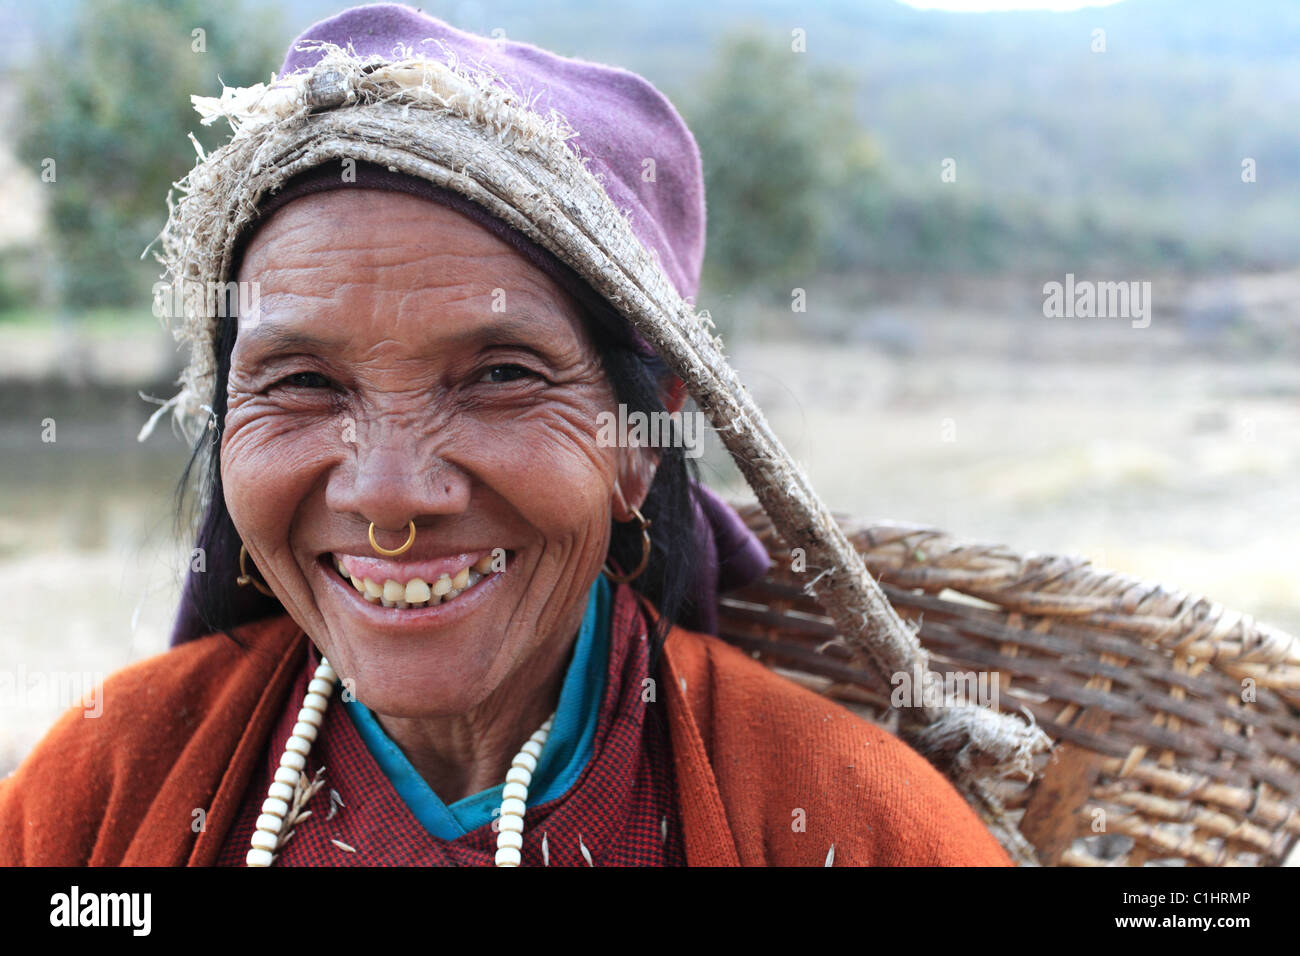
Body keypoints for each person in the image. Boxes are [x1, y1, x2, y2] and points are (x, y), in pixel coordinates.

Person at [0, 4, 1012, 866]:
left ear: (639, 437)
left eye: (498, 377)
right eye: (303, 382)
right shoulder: (108, 790)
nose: (388, 494)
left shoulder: (843, 819)